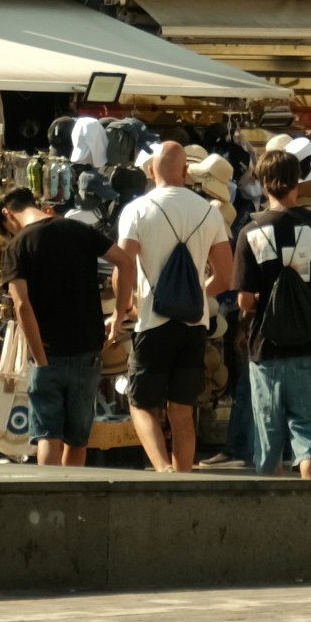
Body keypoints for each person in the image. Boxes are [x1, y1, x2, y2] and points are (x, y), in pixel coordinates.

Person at [112, 143, 235, 474]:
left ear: (150, 172)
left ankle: (162, 469)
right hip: (193, 325)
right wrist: (197, 292)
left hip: (151, 322)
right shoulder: (209, 211)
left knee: (141, 404)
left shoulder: (136, 210)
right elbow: (226, 275)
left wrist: (122, 311)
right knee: (182, 409)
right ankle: (184, 478)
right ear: (186, 172)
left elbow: (123, 266)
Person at [236, 162, 311, 480]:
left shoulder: (250, 232)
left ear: (263, 184)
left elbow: (244, 301)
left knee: (268, 432)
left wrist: (271, 299)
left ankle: (272, 510)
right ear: (297, 183)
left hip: (266, 348)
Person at [1, 185, 113, 468]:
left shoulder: (18, 246)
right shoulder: (79, 230)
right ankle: (73, 501)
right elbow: (124, 260)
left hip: (47, 351)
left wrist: (39, 357)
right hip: (87, 348)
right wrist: (120, 313)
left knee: (48, 436)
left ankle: (48, 500)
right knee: (77, 440)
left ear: (7, 214)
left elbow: (22, 305)